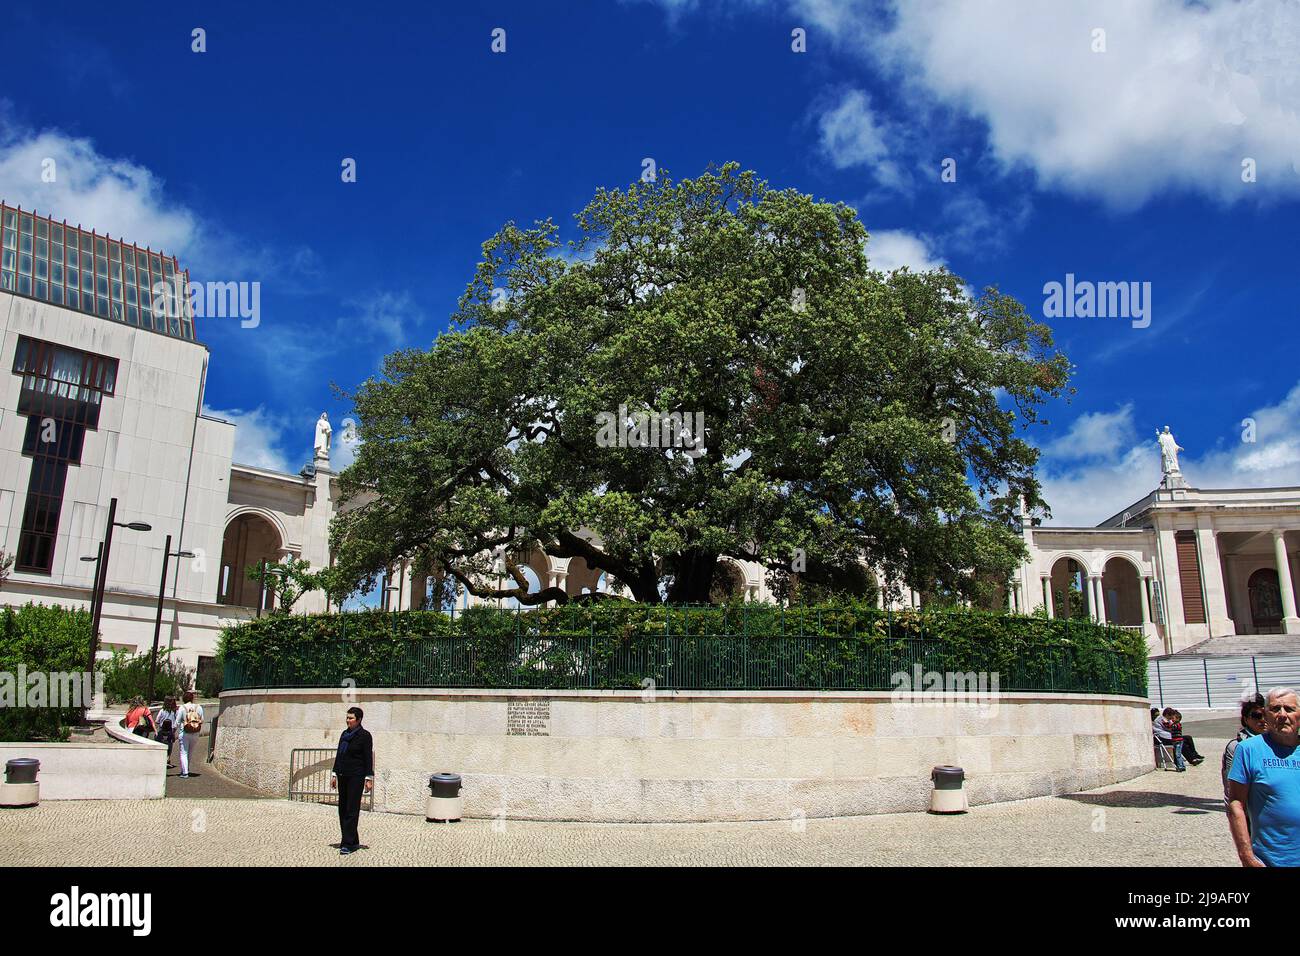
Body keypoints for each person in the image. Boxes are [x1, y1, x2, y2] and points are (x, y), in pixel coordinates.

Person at [1227, 687, 1300, 867]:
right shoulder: (1248, 750)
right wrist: (1247, 857)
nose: (1282, 715)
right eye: (1275, 709)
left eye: (1289, 709)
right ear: (1266, 714)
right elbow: (1236, 803)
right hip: (1271, 860)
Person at [329, 706, 374, 855]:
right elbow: (339, 755)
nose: (348, 720)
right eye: (347, 718)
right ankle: (352, 840)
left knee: (351, 809)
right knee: (342, 809)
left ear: (359, 720)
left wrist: (369, 778)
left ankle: (347, 843)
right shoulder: (344, 734)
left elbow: (368, 758)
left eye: (351, 718)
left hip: (356, 776)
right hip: (343, 775)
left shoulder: (365, 736)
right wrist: (334, 774)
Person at [1223, 693, 1267, 810]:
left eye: (1266, 715)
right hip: (1250, 815)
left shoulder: (1280, 742)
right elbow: (1230, 789)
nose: (1263, 720)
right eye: (1257, 716)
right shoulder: (1236, 747)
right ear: (1246, 719)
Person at [177, 691, 204, 778]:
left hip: (185, 732)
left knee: (183, 752)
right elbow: (202, 720)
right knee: (190, 752)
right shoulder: (198, 707)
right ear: (192, 698)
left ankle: (184, 772)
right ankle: (186, 769)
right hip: (195, 732)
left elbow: (177, 721)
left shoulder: (182, 708)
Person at [156, 695, 181, 769]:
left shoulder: (162, 711)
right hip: (171, 731)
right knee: (170, 746)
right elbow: (177, 722)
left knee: (161, 744)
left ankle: (161, 760)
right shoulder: (175, 711)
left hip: (162, 731)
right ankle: (168, 759)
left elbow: (157, 720)